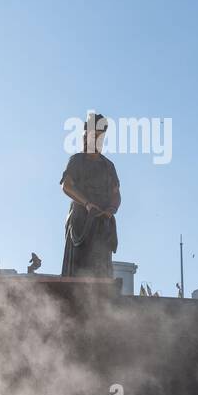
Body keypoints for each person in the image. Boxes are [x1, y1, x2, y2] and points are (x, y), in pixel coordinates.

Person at [60, 113, 120, 278]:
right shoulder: (77, 161)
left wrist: (111, 209)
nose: (89, 141)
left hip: (102, 222)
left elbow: (116, 193)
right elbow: (67, 186)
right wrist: (86, 203)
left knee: (101, 269)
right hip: (81, 221)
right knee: (78, 269)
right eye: (87, 136)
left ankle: (101, 296)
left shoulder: (108, 166)